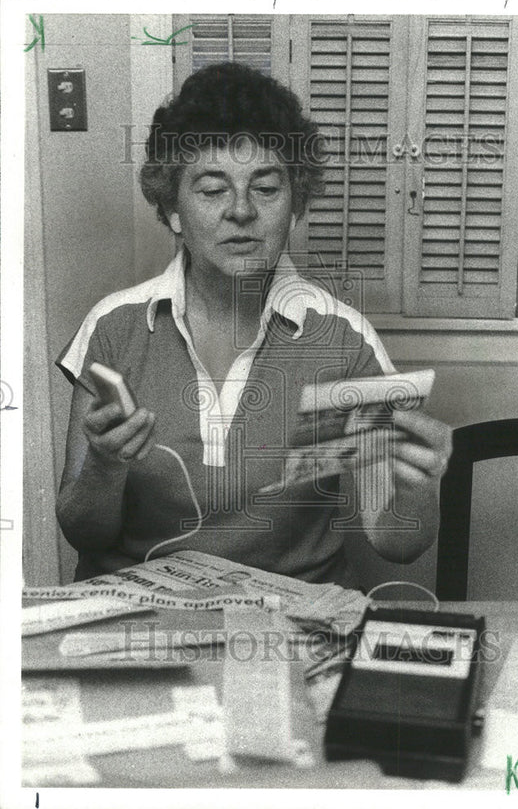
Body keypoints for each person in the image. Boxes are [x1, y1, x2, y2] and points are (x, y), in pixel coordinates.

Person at [55, 62, 452, 586]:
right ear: (174, 209)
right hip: (143, 621)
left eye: (265, 188)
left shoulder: (345, 342)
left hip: (293, 625)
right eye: (213, 189)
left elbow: (396, 543)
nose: (241, 211)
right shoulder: (114, 327)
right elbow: (84, 534)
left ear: (294, 208)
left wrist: (418, 486)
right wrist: (104, 468)